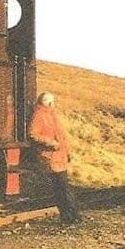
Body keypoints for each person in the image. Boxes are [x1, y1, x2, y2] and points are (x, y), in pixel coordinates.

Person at [28, 91, 80, 224]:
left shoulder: (52, 115)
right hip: (51, 156)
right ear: (49, 103)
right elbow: (33, 134)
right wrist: (51, 143)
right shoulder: (39, 115)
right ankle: (69, 216)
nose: (54, 104)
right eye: (53, 102)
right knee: (61, 187)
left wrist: (68, 151)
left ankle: (71, 216)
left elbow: (62, 136)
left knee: (62, 187)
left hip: (59, 156)